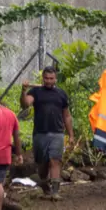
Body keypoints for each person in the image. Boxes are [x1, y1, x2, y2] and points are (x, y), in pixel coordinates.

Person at [22, 66, 74, 200]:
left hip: (57, 132)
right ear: (42, 78)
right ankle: (45, 186)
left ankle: (55, 192)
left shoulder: (61, 94)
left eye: (51, 78)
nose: (49, 81)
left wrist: (71, 134)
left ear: (55, 79)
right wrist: (24, 90)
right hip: (40, 133)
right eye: (46, 78)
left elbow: (67, 116)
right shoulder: (36, 91)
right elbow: (26, 104)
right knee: (42, 163)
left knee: (54, 160)